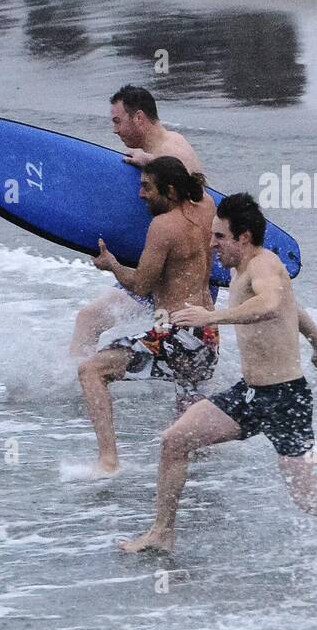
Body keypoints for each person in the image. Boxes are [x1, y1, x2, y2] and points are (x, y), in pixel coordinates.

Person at [118, 193, 317, 554]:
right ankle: (162, 533)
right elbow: (292, 306)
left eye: (220, 237)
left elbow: (271, 304)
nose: (212, 244)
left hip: (285, 398)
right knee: (174, 441)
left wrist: (210, 317)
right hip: (251, 392)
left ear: (244, 237)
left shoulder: (264, 267)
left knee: (307, 498)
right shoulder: (245, 270)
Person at [77, 157, 218, 476]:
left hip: (176, 332)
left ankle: (108, 461)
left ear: (169, 190)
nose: (140, 194)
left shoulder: (163, 227)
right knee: (187, 434)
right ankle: (204, 485)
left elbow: (142, 284)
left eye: (146, 187)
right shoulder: (207, 205)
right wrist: (152, 162)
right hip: (207, 334)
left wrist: (111, 264)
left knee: (91, 371)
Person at [70, 85, 205, 354]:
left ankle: (83, 379)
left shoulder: (171, 147)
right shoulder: (161, 147)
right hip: (162, 269)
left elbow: (193, 187)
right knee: (91, 319)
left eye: (118, 121)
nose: (115, 129)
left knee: (89, 319)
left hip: (178, 276)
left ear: (139, 118)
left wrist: (151, 161)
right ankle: (87, 376)